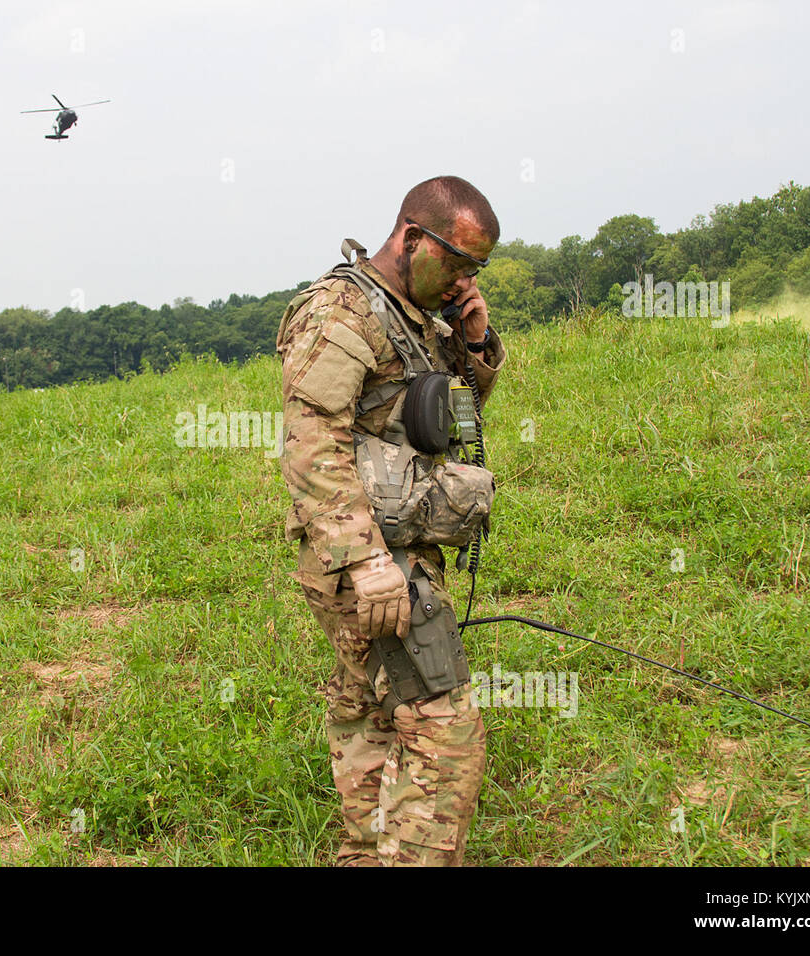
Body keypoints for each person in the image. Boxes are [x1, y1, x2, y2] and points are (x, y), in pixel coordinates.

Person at [275, 176, 507, 866]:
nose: (462, 279)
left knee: (370, 715)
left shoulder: (415, 317)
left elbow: (450, 420)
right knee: (446, 730)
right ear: (412, 235)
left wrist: (475, 341)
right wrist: (365, 562)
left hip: (392, 549)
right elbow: (311, 436)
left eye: (475, 270)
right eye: (458, 262)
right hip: (370, 561)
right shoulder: (344, 311)